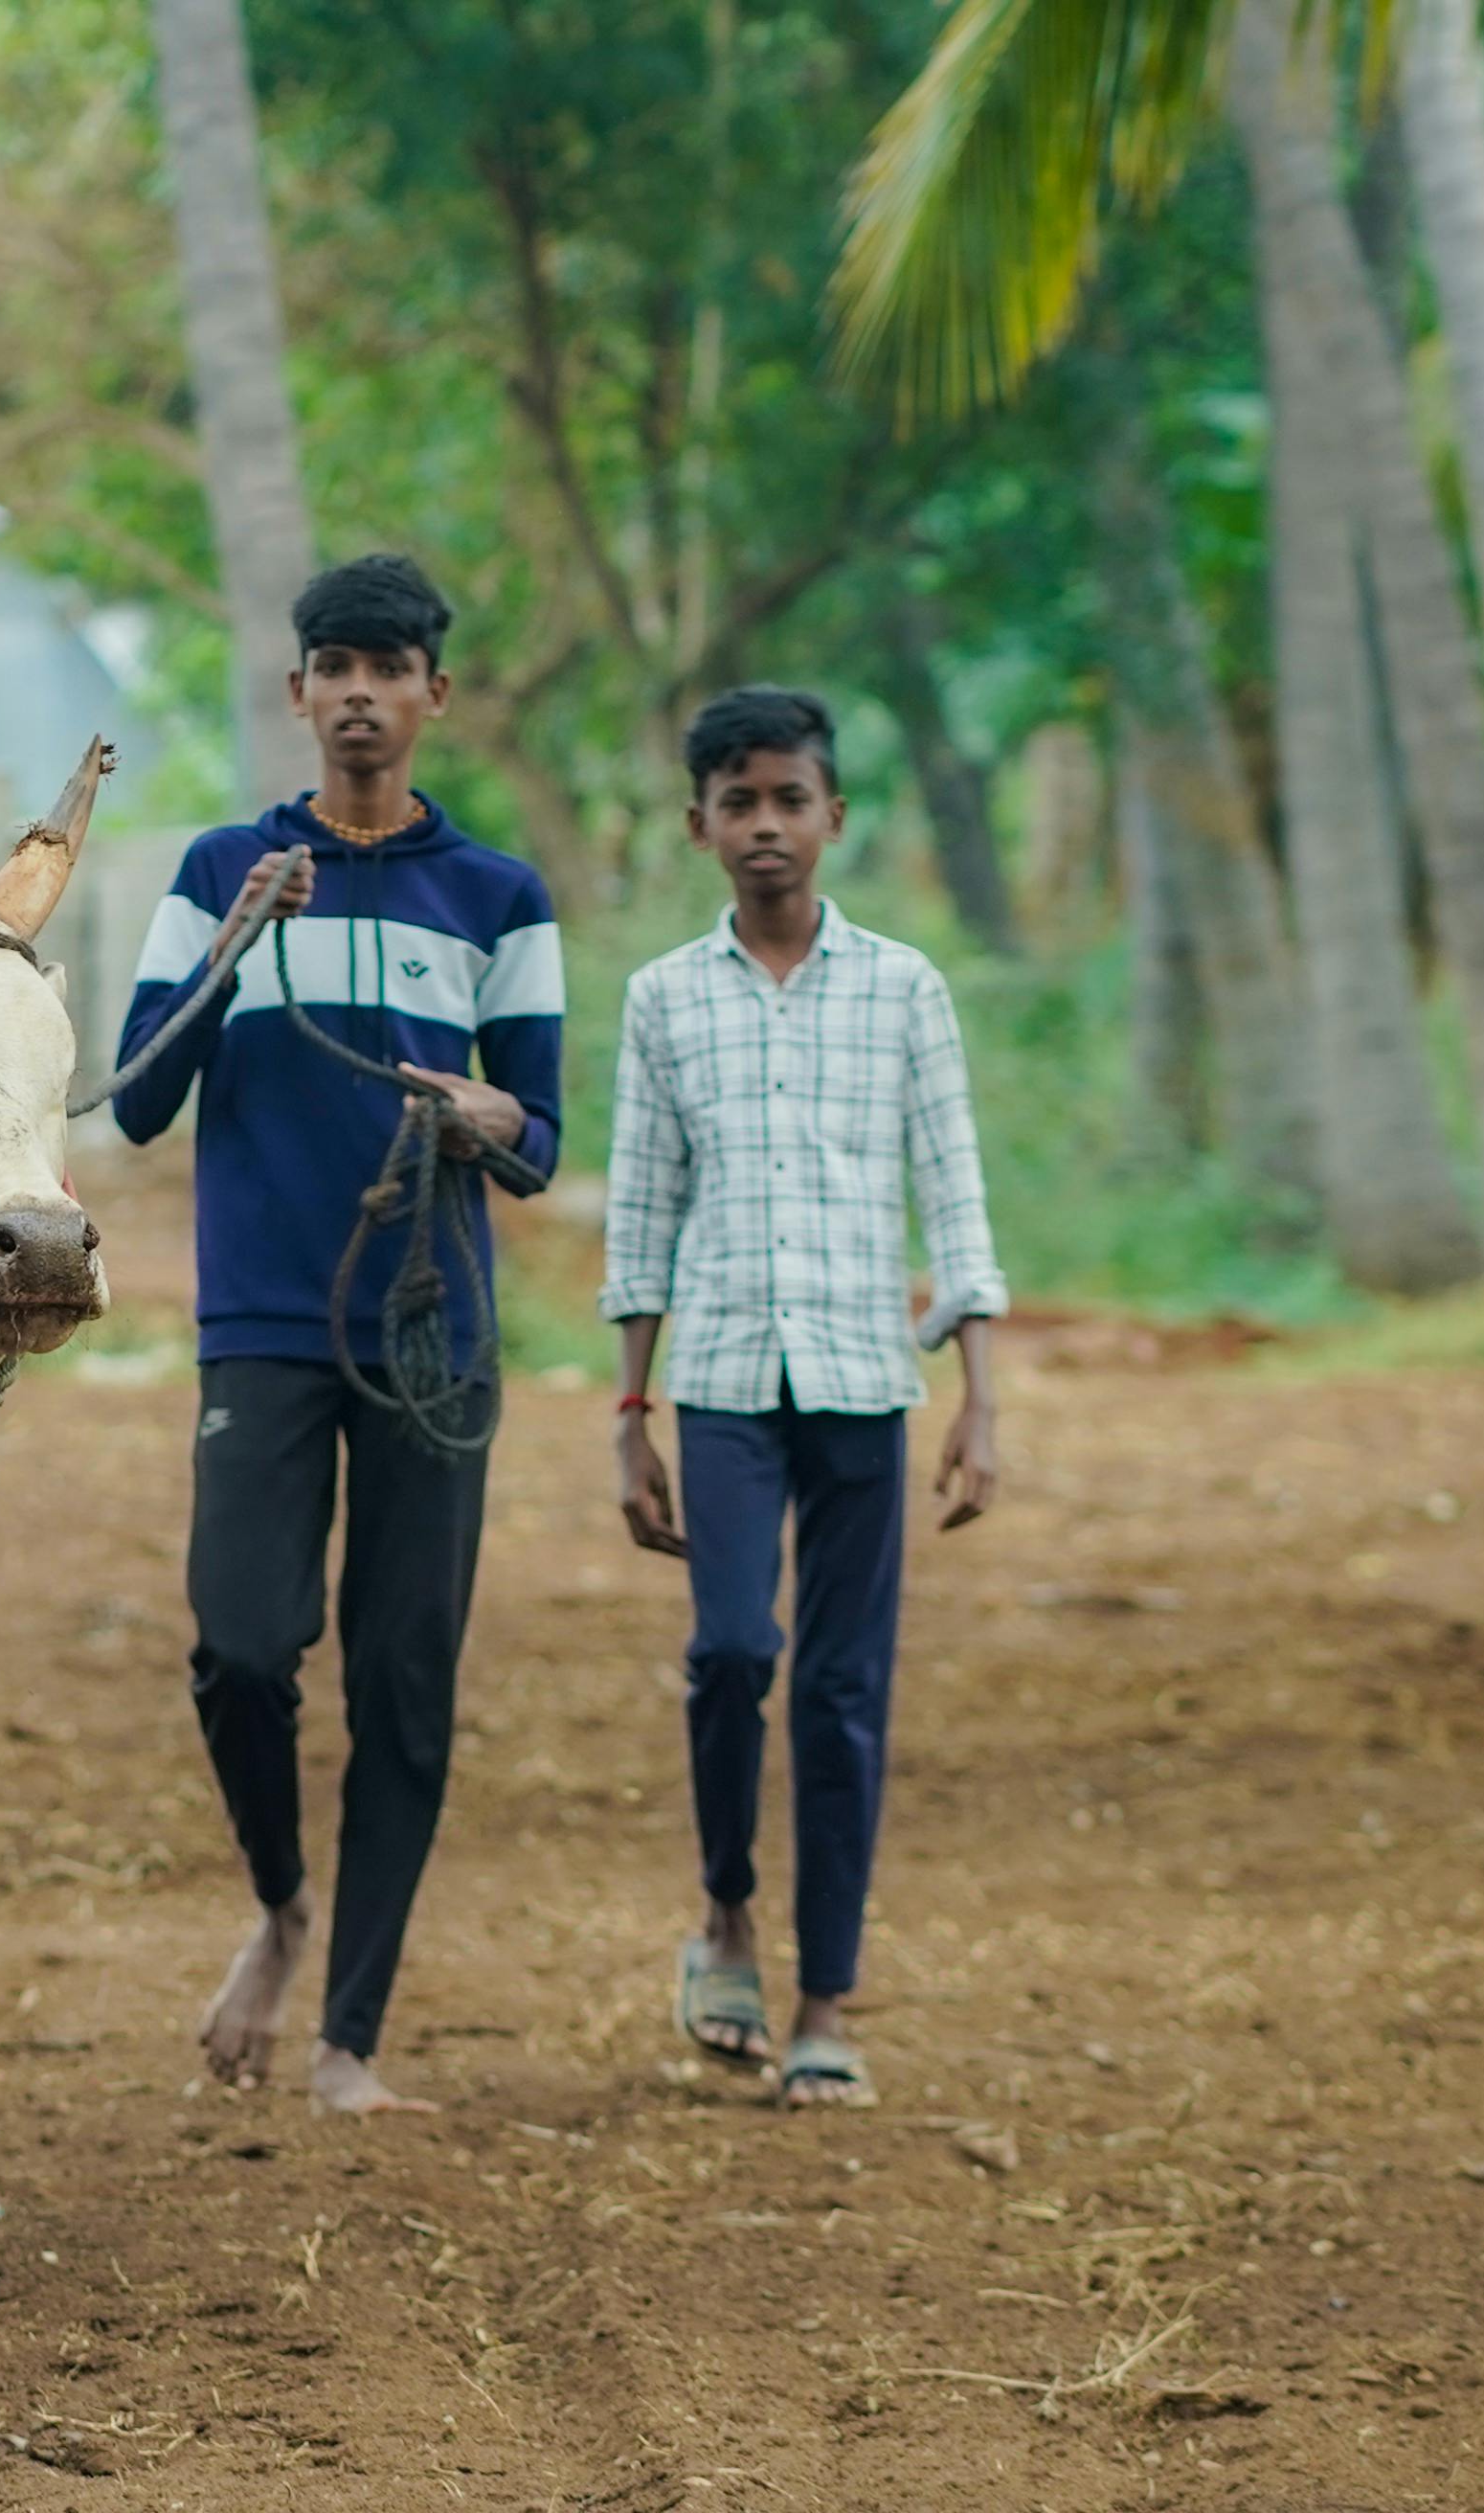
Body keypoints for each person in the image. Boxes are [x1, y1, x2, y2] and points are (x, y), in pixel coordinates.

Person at [111, 553, 565, 2115]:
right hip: (263, 1321)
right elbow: (139, 1099)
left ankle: (350, 2037)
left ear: (436, 693)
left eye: (390, 669)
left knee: (404, 1678)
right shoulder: (218, 870)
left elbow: (540, 1136)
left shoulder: (499, 897)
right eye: (336, 668)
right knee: (241, 1647)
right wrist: (234, 939)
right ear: (298, 691)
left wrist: (493, 1117)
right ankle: (283, 1905)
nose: (361, 694)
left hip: (432, 1340)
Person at [600, 685, 1005, 2112]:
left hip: (861, 1387)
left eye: (789, 800)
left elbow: (953, 1192)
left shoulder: (904, 989)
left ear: (834, 816)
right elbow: (642, 1215)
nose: (765, 824)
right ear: (699, 825)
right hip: (719, 1383)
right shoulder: (665, 998)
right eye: (739, 803)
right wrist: (629, 1418)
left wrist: (981, 1398)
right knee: (730, 1652)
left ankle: (825, 1999)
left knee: (842, 1694)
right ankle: (725, 1921)